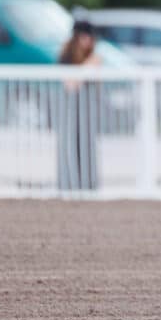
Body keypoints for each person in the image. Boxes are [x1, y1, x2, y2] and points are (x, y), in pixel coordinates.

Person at [57, 18, 103, 191]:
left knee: (88, 146)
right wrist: (89, 66)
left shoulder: (93, 58)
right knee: (70, 145)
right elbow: (70, 84)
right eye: (85, 37)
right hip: (70, 110)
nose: (89, 42)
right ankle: (69, 183)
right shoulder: (67, 57)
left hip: (87, 111)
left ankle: (89, 184)